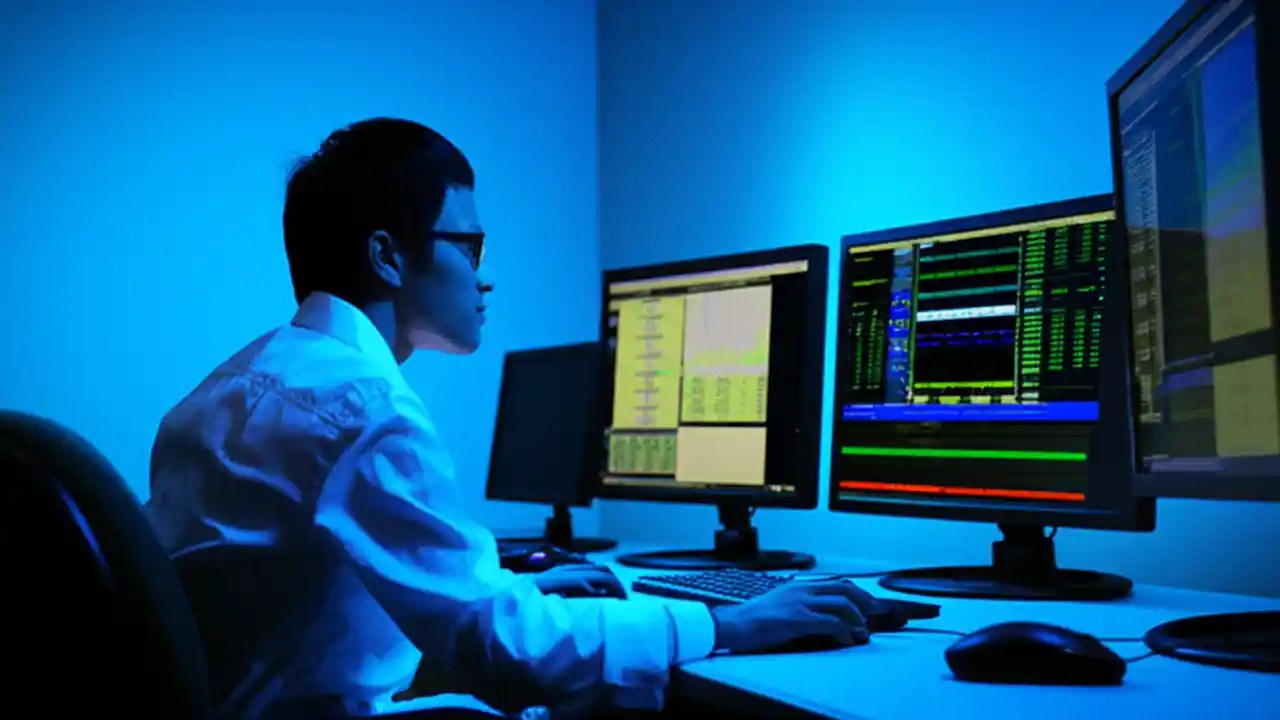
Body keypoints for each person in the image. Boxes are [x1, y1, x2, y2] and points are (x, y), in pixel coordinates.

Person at [146, 117, 874, 719]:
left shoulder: (239, 385)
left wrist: (505, 590)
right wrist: (725, 623)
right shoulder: (363, 412)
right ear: (387, 257)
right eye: (472, 245)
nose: (484, 272)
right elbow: (507, 653)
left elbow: (327, 604)